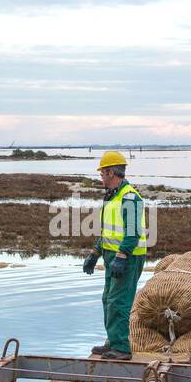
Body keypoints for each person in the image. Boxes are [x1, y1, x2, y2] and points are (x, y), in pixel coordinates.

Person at [82, 151, 147, 360]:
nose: (100, 175)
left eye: (102, 172)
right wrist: (95, 253)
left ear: (112, 172)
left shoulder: (129, 198)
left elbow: (133, 232)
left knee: (118, 301)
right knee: (108, 299)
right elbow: (109, 232)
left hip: (127, 258)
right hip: (112, 257)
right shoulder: (112, 197)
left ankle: (121, 348)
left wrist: (122, 256)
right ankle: (113, 340)